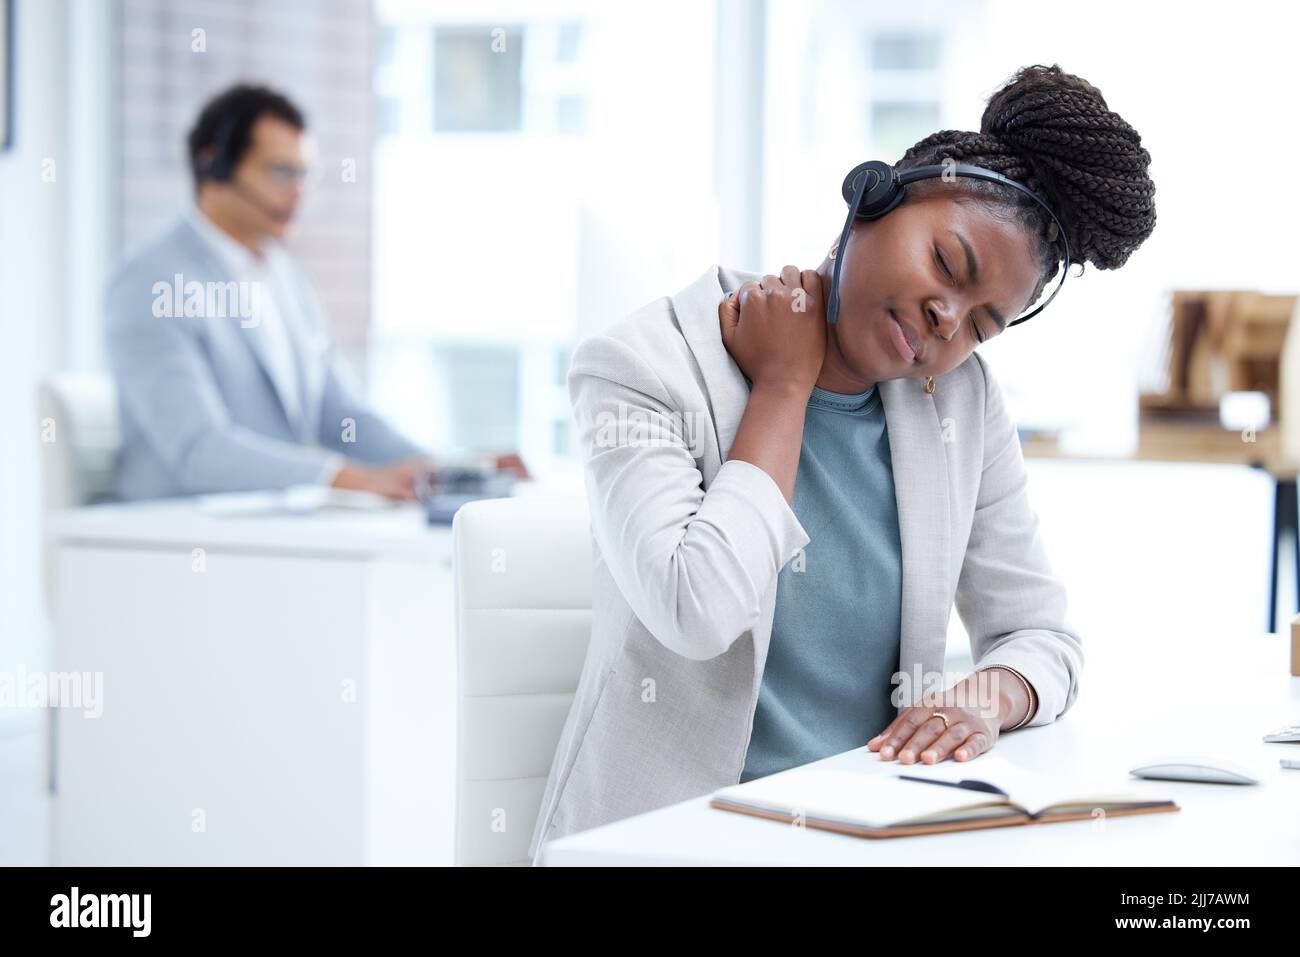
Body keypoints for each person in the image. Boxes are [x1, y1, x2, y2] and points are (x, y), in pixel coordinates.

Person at [530, 64, 1156, 857]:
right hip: (668, 844)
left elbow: (1042, 637)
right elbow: (698, 610)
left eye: (980, 323)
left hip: (858, 836)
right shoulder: (644, 366)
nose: (946, 319)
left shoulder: (963, 404)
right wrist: (785, 384)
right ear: (874, 196)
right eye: (947, 264)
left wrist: (986, 700)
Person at [106, 84, 522, 501]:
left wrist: (446, 470)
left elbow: (339, 414)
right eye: (280, 172)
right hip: (171, 533)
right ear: (213, 165)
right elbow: (198, 450)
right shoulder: (153, 281)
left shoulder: (285, 278)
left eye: (304, 174)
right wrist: (346, 478)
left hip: (268, 528)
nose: (298, 192)